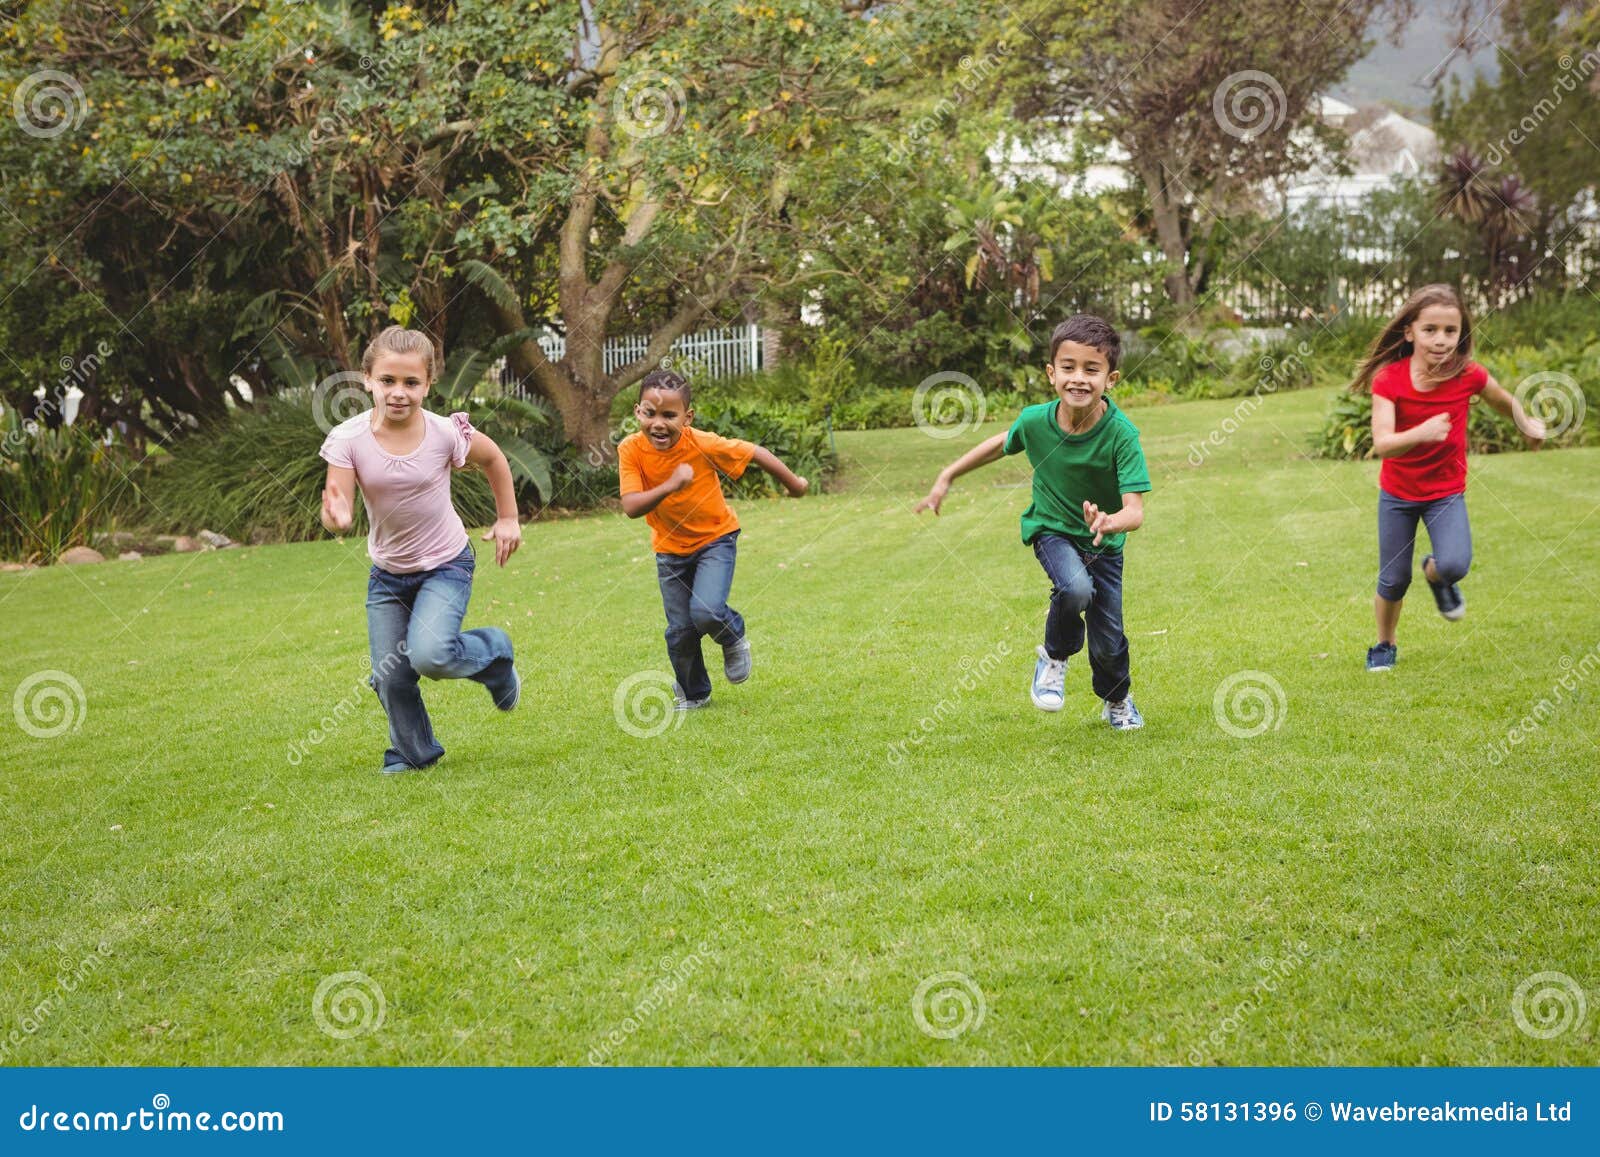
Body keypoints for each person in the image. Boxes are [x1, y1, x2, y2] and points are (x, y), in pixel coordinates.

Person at [915, 314, 1152, 730]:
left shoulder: (1122, 435)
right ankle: (1054, 657)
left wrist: (1110, 521)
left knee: (1108, 641)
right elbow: (1000, 444)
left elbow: (1135, 511)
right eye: (1068, 367)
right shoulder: (1035, 421)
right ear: (1051, 373)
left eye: (1091, 370)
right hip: (1052, 530)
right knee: (1074, 588)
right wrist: (947, 476)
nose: (1078, 378)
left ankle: (1117, 700)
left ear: (1110, 379)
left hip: (1104, 545)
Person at [319, 325, 525, 774]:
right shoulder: (348, 438)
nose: (399, 392)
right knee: (390, 676)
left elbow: (493, 458)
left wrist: (508, 517)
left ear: (428, 384)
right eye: (387, 380)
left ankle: (494, 655)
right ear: (367, 379)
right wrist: (336, 515)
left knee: (430, 654)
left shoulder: (443, 433)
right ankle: (414, 753)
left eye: (411, 382)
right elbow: (338, 501)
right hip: (388, 575)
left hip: (446, 564)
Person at [1355, 284, 1545, 672]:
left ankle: (1436, 574)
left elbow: (1500, 399)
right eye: (1430, 330)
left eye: (1450, 330)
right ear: (1409, 331)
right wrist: (1422, 432)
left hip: (1445, 493)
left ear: (1461, 334)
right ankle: (1384, 644)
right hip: (1398, 495)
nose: (1441, 339)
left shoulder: (1468, 374)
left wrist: (1526, 423)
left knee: (1455, 564)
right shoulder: (1389, 380)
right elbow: (1384, 444)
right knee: (1393, 579)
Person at [618, 369, 809, 709]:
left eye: (669, 415)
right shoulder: (630, 449)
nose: (658, 424)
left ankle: (732, 636)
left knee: (706, 612)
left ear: (687, 417)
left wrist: (794, 484)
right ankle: (694, 693)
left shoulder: (702, 443)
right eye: (650, 413)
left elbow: (755, 452)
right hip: (669, 550)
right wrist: (671, 485)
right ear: (637, 412)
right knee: (680, 630)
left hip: (715, 540)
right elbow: (631, 506)